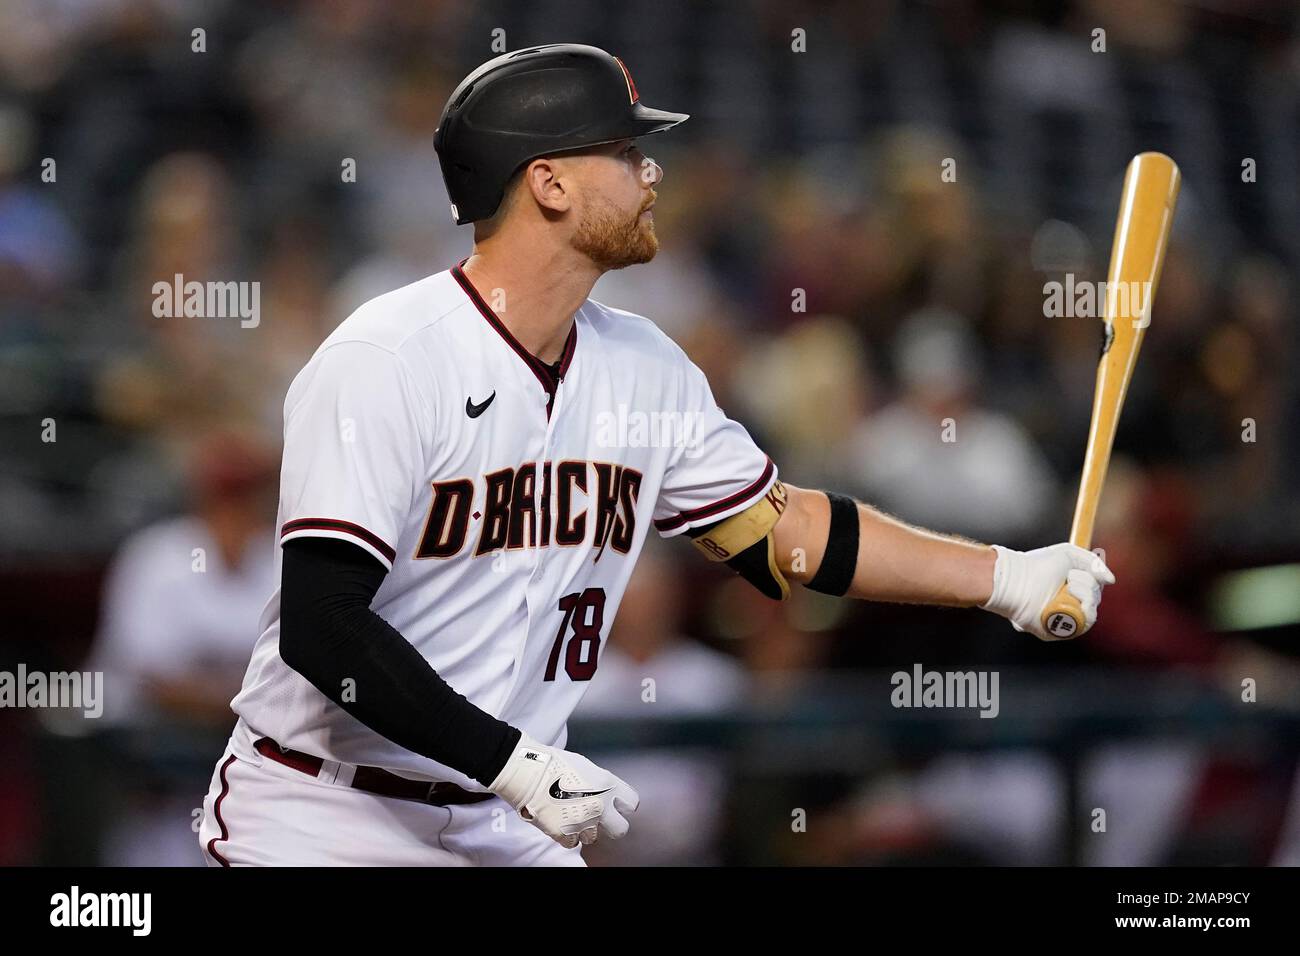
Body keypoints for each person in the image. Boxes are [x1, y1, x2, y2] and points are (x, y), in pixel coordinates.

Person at [198, 43, 1114, 867]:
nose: (653, 173)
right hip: (323, 816)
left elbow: (789, 533)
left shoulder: (644, 367)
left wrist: (1005, 577)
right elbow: (324, 626)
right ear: (549, 184)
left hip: (499, 819)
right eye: (627, 154)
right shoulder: (386, 358)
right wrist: (511, 764)